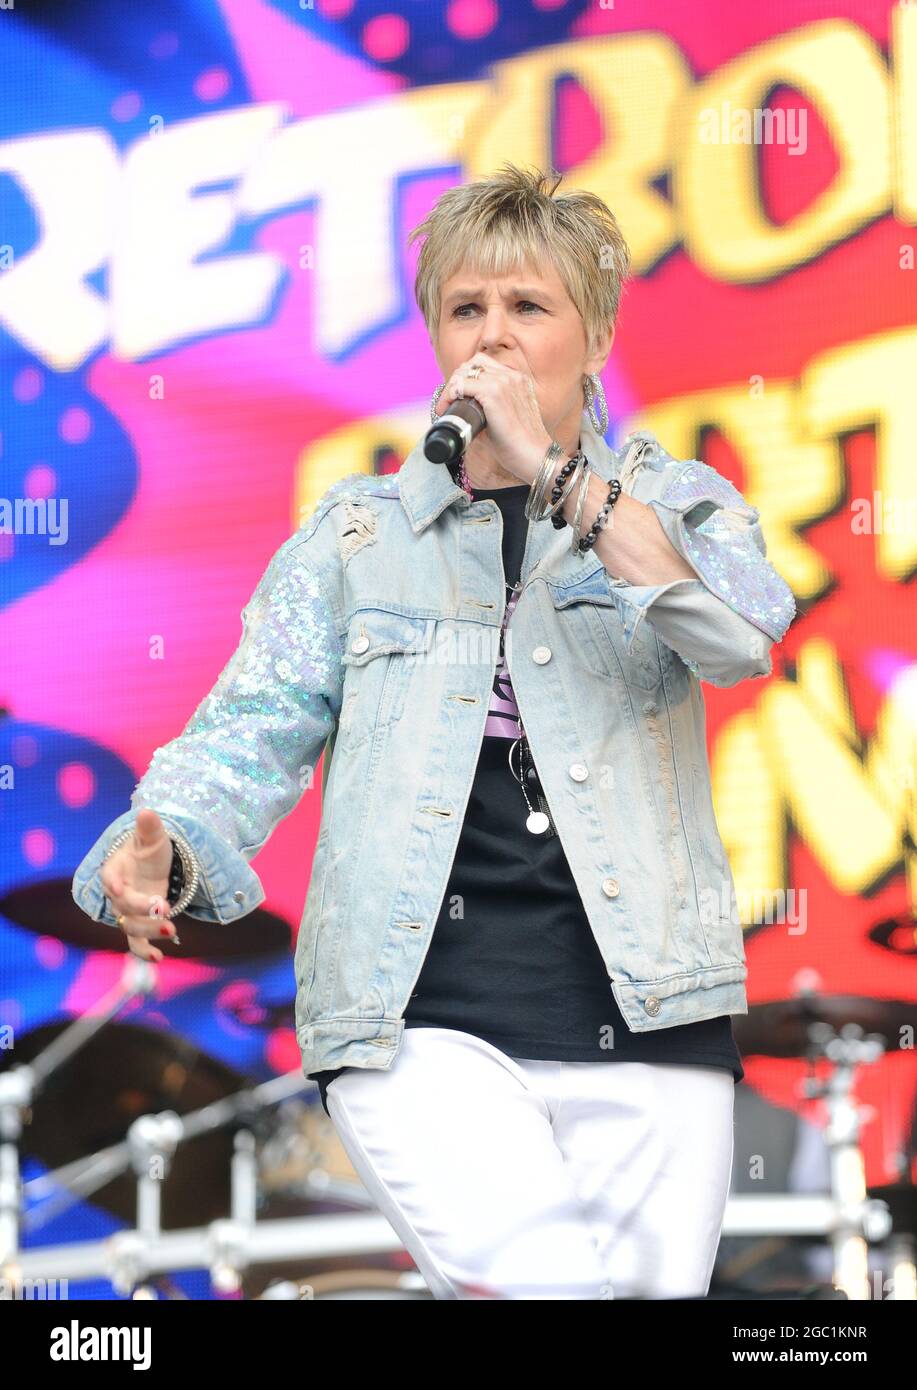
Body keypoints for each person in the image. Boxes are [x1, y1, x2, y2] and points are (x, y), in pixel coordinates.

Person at [73, 163, 796, 1300]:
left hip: (649, 1011)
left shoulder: (679, 503)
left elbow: (741, 632)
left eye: (527, 308)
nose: (492, 337)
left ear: (591, 336)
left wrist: (559, 477)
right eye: (467, 309)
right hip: (417, 1017)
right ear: (433, 335)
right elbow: (249, 727)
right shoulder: (356, 535)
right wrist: (161, 838)